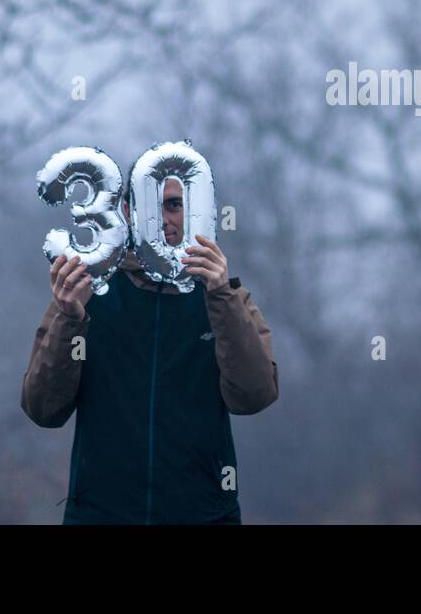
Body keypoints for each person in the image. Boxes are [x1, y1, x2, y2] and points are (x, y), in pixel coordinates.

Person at [21, 176, 278, 524]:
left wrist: (220, 297)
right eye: (149, 205)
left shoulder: (223, 298)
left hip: (204, 516)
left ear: (194, 210)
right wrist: (70, 320)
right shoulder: (88, 292)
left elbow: (254, 396)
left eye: (173, 205)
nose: (163, 218)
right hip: (100, 516)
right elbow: (43, 409)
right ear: (127, 211)